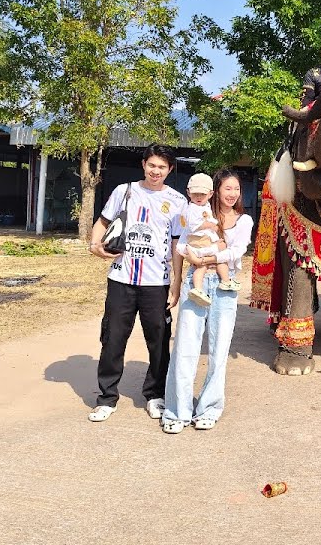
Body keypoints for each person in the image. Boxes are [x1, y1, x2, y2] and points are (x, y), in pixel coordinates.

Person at [86, 144, 187, 423]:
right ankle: (107, 398)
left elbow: (178, 243)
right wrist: (94, 245)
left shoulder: (178, 201)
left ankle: (155, 395)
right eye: (152, 165)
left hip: (157, 283)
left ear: (170, 170)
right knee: (113, 337)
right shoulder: (124, 191)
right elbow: (103, 222)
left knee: (158, 340)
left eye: (162, 167)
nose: (156, 171)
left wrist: (176, 283)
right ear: (144, 164)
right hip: (121, 278)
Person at [161, 170, 255, 433]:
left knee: (219, 350)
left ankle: (209, 408)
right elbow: (180, 244)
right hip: (196, 282)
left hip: (224, 286)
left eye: (236, 189)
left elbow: (238, 251)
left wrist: (207, 259)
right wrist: (176, 283)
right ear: (216, 191)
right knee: (185, 346)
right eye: (227, 188)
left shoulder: (244, 220)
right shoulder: (198, 213)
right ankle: (177, 411)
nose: (232, 194)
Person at [180, 172, 240, 306]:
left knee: (205, 266)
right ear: (189, 193)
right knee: (210, 263)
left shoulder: (205, 207)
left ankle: (221, 282)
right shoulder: (192, 209)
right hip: (200, 242)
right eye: (196, 194)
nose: (199, 197)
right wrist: (212, 227)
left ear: (211, 194)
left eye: (237, 189)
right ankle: (215, 284)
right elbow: (194, 226)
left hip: (205, 242)